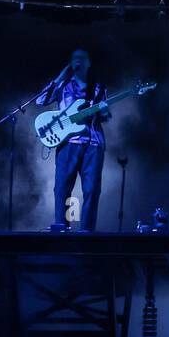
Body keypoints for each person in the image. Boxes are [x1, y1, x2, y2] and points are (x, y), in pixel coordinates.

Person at [36, 49, 111, 231]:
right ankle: (62, 228)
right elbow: (40, 100)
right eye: (75, 58)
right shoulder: (62, 85)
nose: (79, 61)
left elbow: (105, 116)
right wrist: (60, 76)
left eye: (82, 58)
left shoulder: (99, 88)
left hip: (93, 144)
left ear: (89, 63)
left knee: (92, 190)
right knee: (62, 190)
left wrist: (104, 112)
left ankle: (87, 232)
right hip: (68, 143)